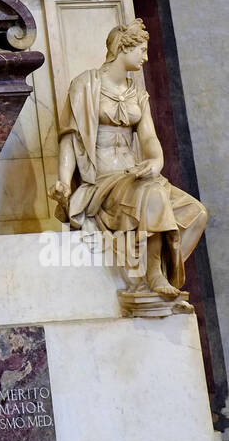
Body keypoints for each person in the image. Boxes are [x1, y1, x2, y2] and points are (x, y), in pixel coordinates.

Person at [53, 18, 205, 310]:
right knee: (153, 193)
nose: (146, 57)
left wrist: (156, 161)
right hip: (102, 182)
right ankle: (153, 275)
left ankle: (157, 276)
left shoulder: (137, 93)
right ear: (124, 47)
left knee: (196, 214)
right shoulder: (85, 85)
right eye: (142, 50)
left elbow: (148, 138)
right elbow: (70, 139)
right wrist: (63, 182)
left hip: (134, 176)